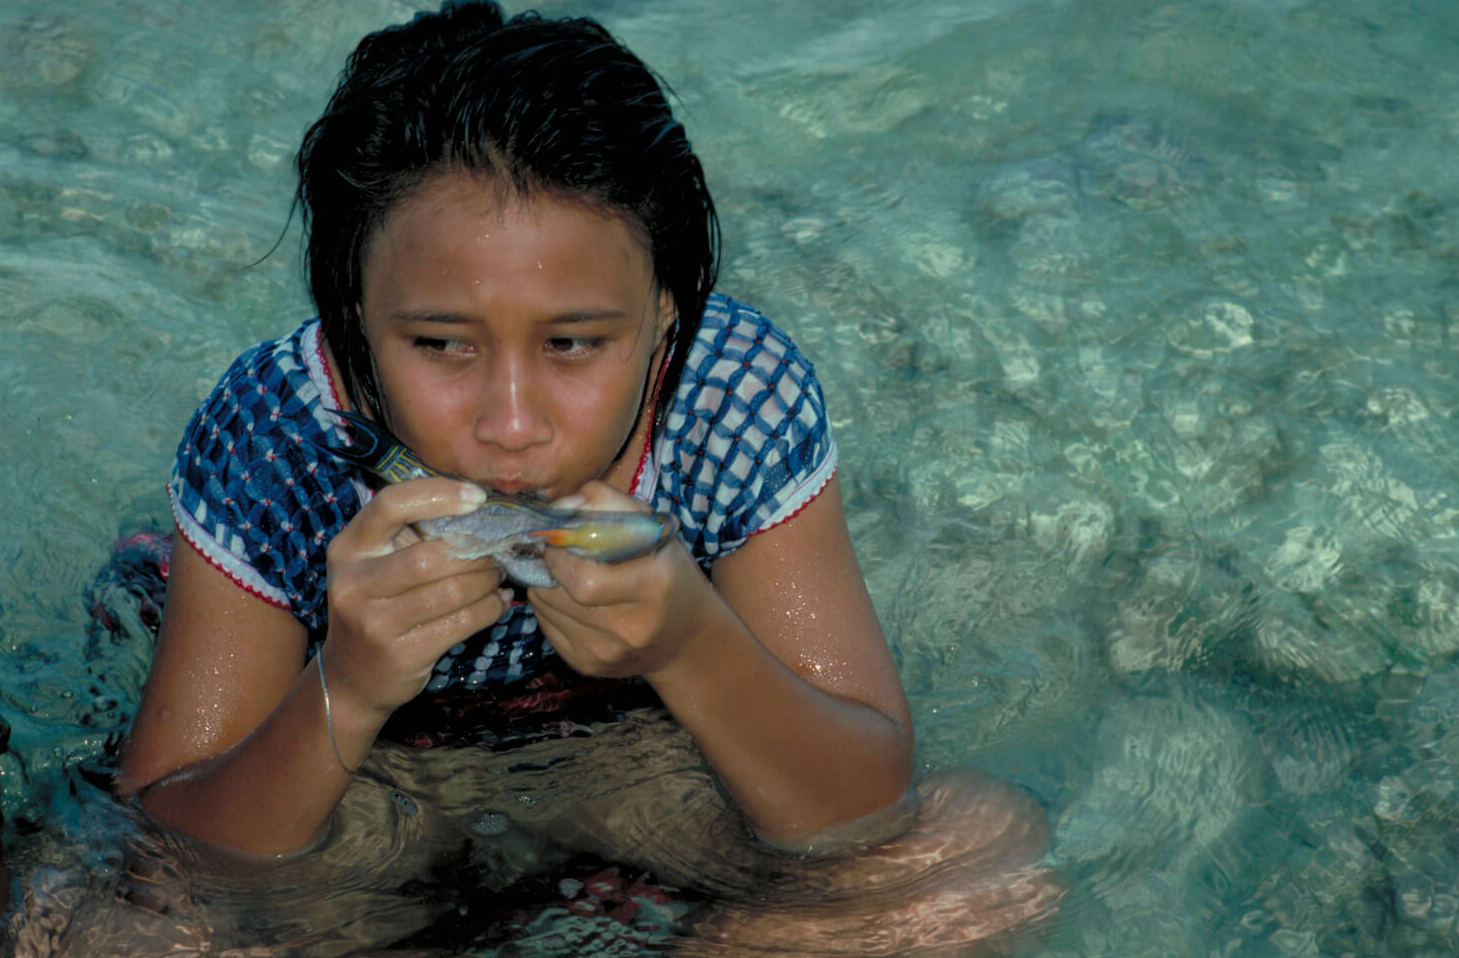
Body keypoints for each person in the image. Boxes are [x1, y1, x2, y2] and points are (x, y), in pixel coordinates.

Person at [111, 2, 1061, 953]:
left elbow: (859, 809)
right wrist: (349, 685)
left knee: (978, 848)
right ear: (353, 315)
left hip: (629, 774)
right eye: (439, 344)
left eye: (571, 344)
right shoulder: (283, 436)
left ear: (666, 310)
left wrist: (692, 644)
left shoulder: (727, 400)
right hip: (370, 800)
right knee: (111, 929)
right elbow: (172, 842)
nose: (511, 424)